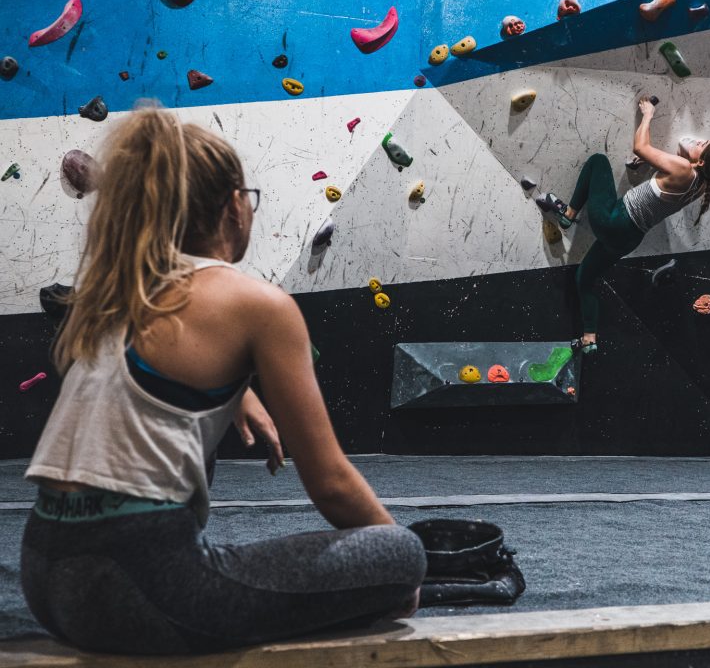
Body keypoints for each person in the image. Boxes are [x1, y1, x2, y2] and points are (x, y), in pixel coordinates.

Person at [20, 105, 426, 656]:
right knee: (403, 553)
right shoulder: (257, 304)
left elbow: (157, 378)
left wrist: (240, 395)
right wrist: (397, 558)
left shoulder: (122, 291)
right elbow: (329, 483)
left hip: (44, 573)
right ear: (235, 205)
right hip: (140, 588)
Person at [538, 97, 710, 354]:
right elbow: (670, 174)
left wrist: (648, 115)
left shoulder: (684, 169)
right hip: (628, 239)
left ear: (701, 163)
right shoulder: (702, 187)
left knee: (598, 161)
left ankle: (568, 214)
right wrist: (658, 162)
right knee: (584, 279)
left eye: (702, 145)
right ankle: (589, 337)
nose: (698, 141)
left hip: (615, 219)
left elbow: (641, 147)